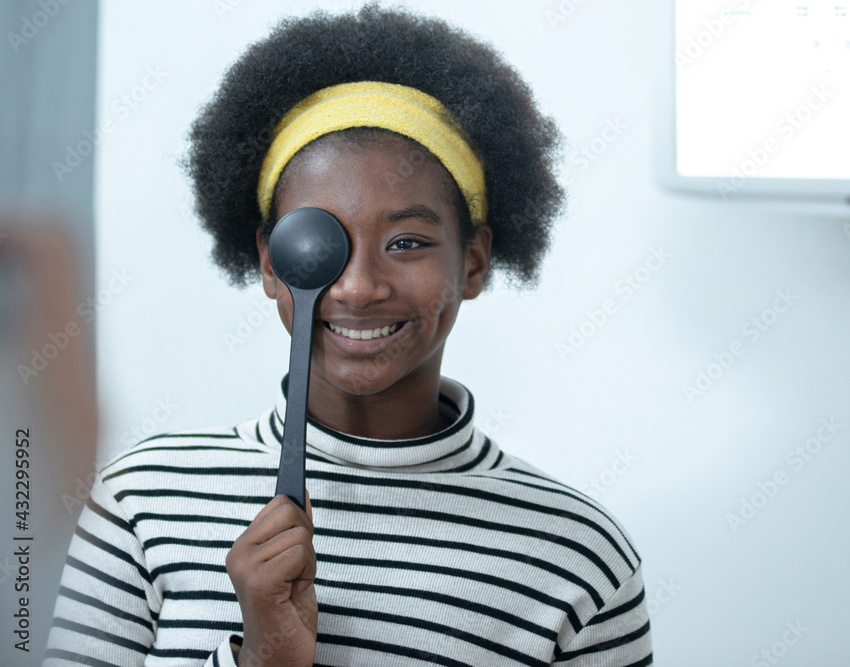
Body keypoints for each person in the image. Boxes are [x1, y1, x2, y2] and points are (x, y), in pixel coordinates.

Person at [43, 4, 653, 665]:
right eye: (321, 241)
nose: (359, 286)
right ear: (272, 262)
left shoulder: (579, 557)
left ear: (473, 261)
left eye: (408, 241)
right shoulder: (140, 500)